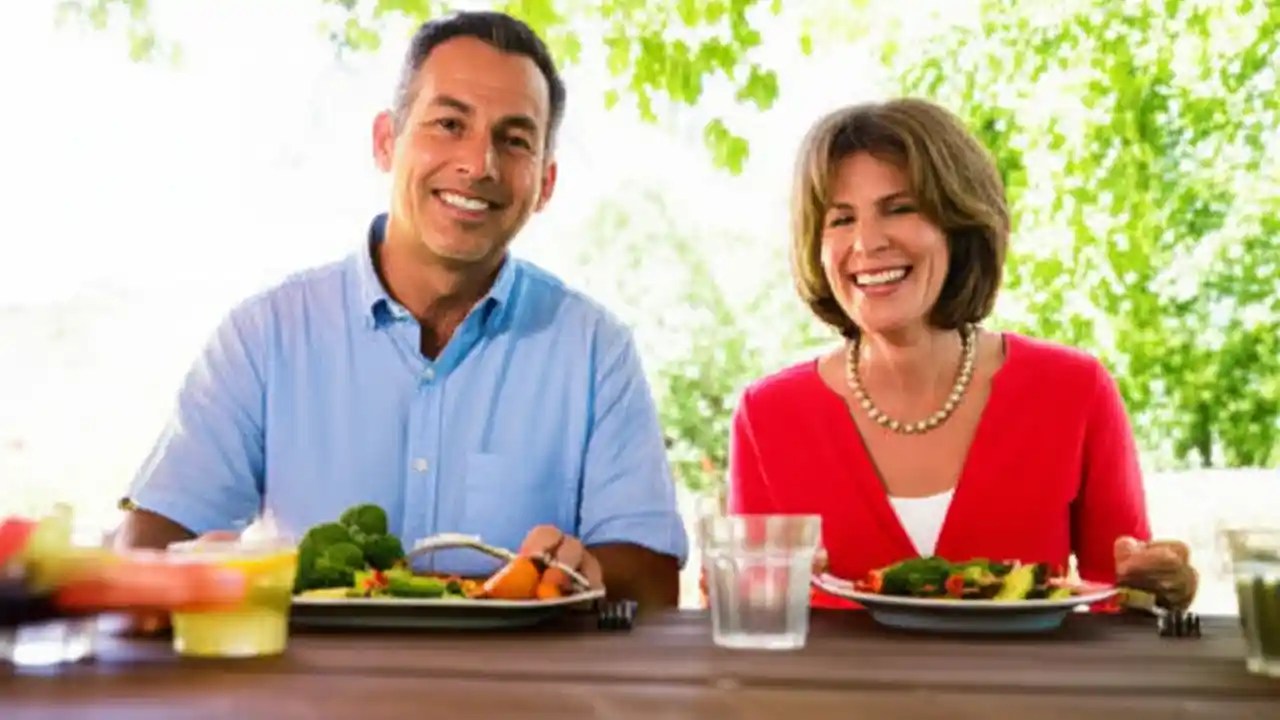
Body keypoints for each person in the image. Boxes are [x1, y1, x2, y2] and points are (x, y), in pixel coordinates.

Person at [114, 11, 686, 610]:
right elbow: (153, 541)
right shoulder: (266, 336)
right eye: (448, 123)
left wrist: (583, 570)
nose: (479, 164)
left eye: (514, 140)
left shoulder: (595, 350)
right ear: (386, 142)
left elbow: (650, 579)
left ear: (544, 182)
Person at [728, 98, 1197, 610]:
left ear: (959, 222)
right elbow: (748, 623)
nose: (866, 242)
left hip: (1026, 692)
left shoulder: (1073, 390)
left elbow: (1121, 600)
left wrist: (1162, 588)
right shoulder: (768, 416)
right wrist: (755, 589)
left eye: (900, 208)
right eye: (840, 219)